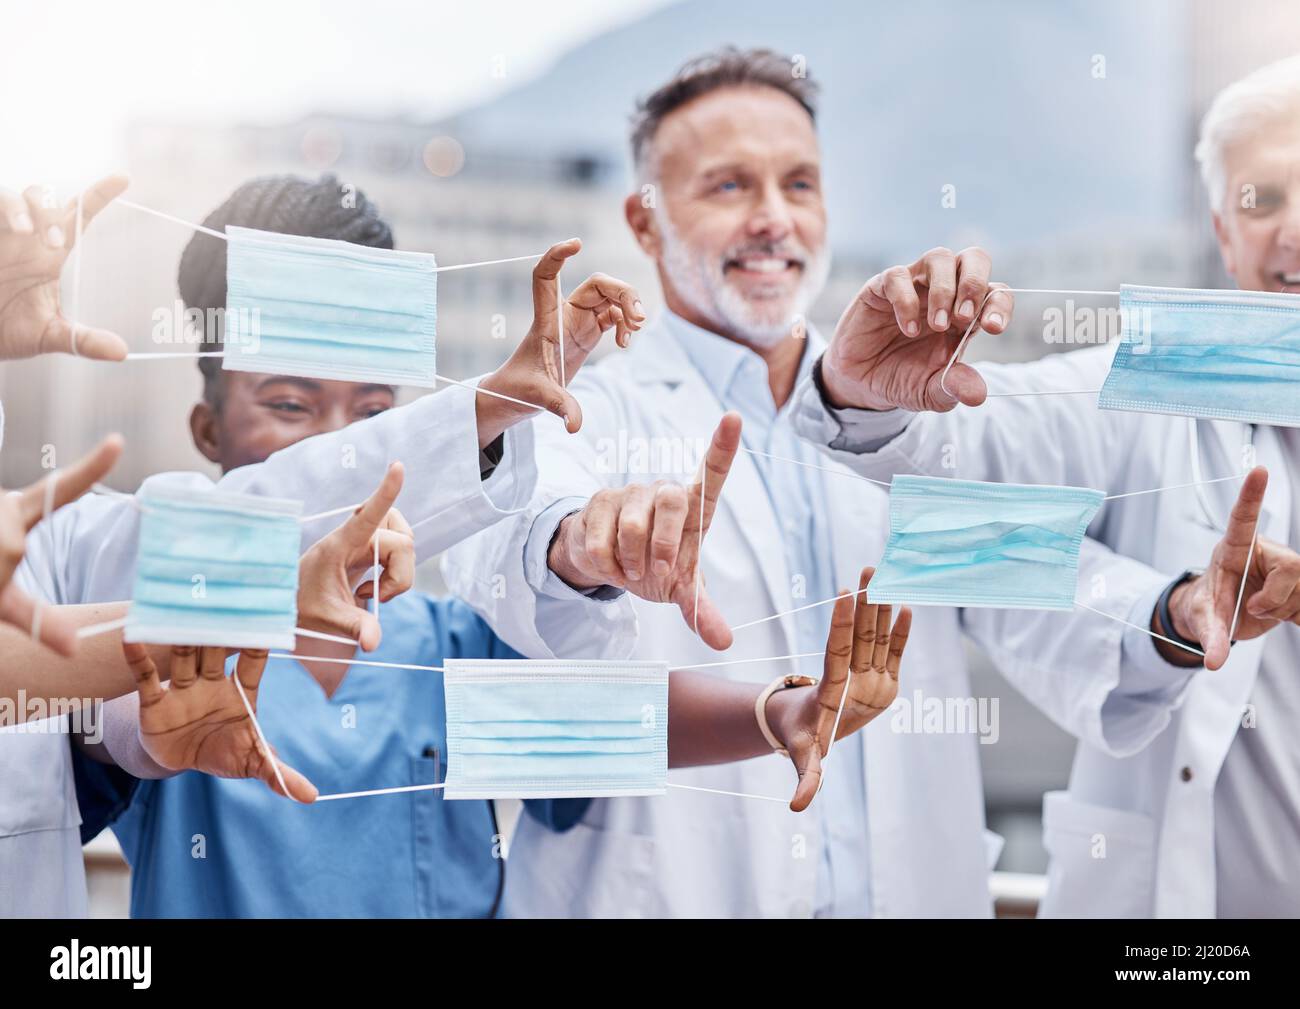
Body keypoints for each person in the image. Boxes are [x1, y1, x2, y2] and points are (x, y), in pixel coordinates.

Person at [443, 47, 1239, 918]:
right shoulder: (586, 414)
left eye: (799, 185)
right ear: (644, 219)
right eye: (727, 187)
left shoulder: (889, 418)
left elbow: (1052, 590)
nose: (773, 219)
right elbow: (513, 550)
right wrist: (585, 546)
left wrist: (1176, 614)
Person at [55, 174, 912, 918]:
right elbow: (102, 729)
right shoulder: (178, 638)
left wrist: (784, 712)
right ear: (206, 429)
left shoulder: (441, 644)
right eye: (288, 406)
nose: (339, 453)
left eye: (375, 413)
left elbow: (611, 724)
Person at [794, 54, 1300, 918]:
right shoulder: (1168, 374)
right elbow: (983, 443)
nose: (1292, 228)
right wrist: (870, 392)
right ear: (1221, 229)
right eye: (1263, 200)